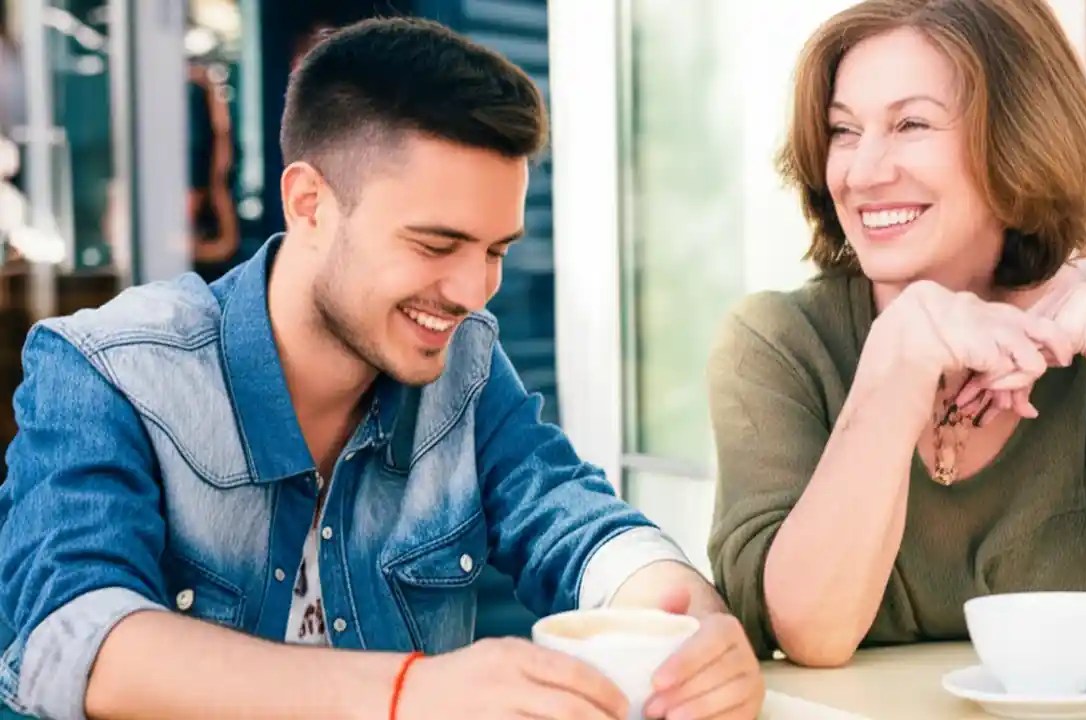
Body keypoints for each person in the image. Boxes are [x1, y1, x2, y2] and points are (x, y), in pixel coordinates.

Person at [0, 18, 763, 720]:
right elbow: (76, 643)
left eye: (495, 251)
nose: (471, 293)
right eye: (436, 245)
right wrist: (410, 692)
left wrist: (687, 623)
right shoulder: (106, 369)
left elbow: (576, 524)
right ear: (308, 205)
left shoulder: (462, 364)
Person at [706, 0, 1086, 668]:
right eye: (843, 131)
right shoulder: (775, 342)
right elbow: (812, 631)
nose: (862, 173)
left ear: (1018, 135)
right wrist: (899, 358)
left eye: (911, 123)